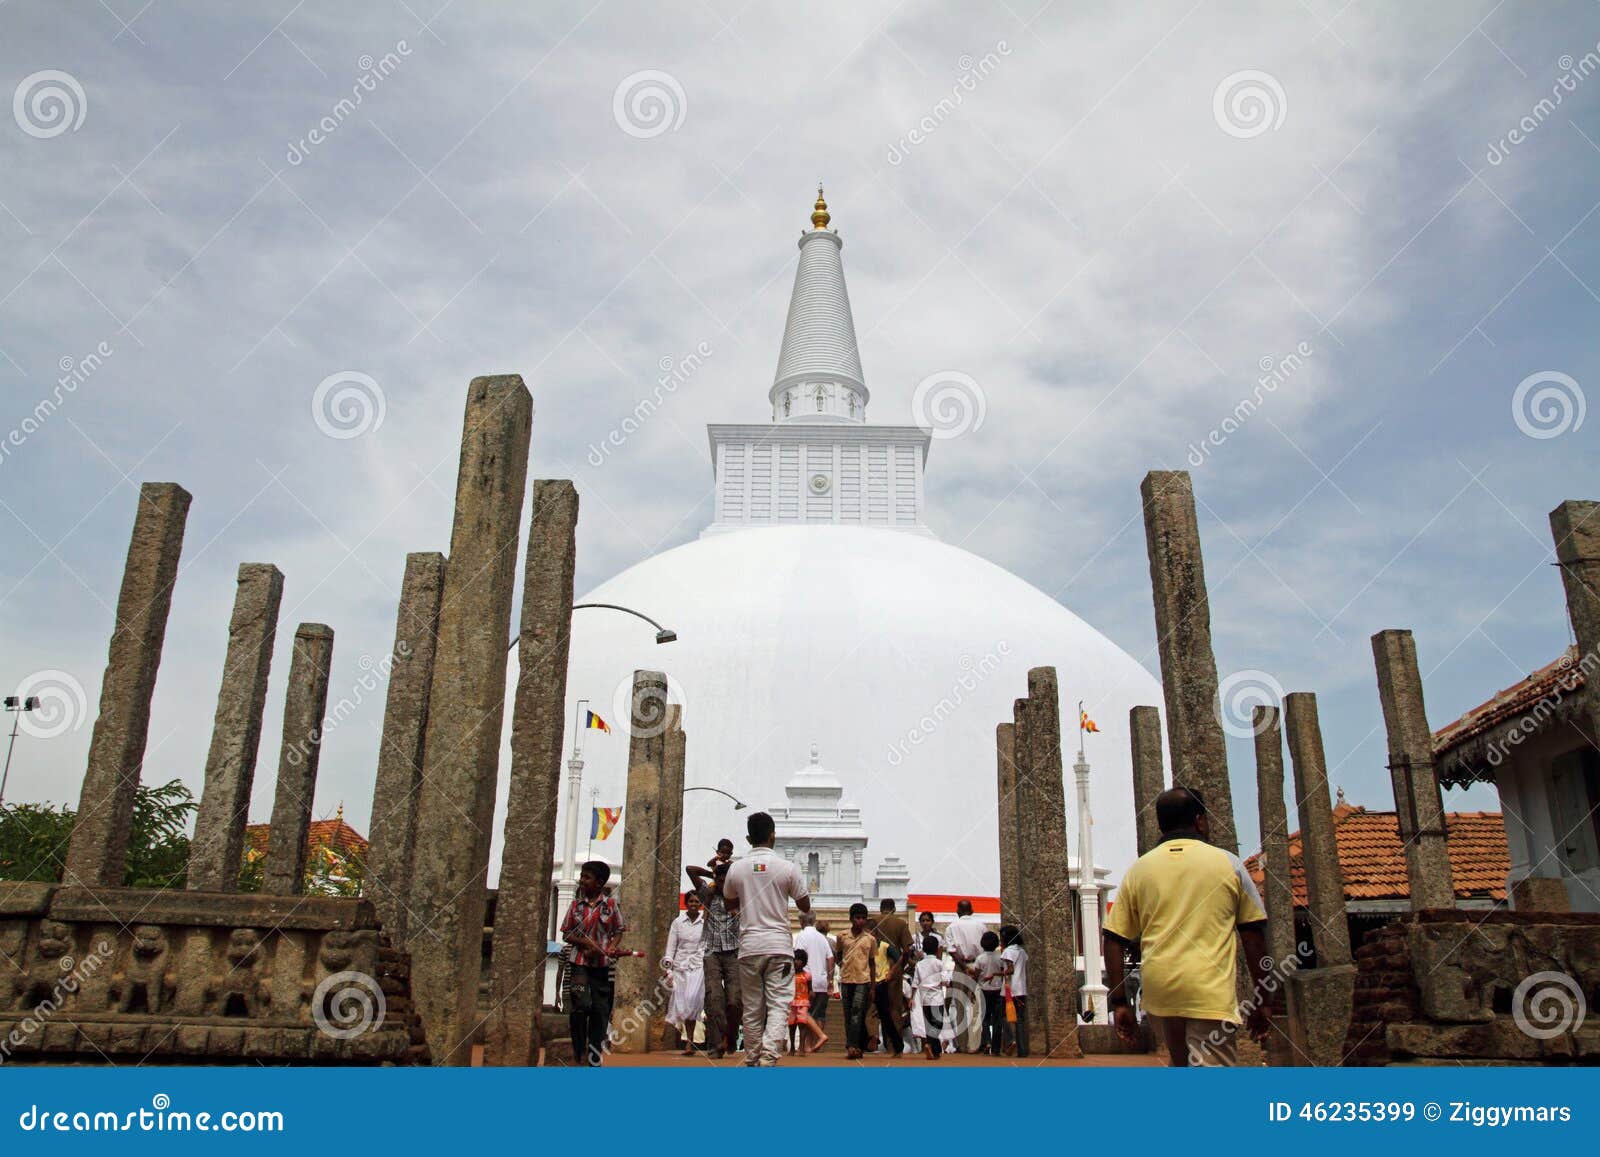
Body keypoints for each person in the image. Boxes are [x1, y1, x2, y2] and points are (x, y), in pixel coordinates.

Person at [1103, 786, 1272, 1067]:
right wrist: (1264, 996)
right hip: (1209, 989)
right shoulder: (1227, 864)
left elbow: (1113, 937)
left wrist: (1120, 1002)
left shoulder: (1140, 870)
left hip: (1161, 990)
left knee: (1180, 1062)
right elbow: (1253, 935)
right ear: (1199, 820)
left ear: (1160, 824)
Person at [721, 811, 811, 1067]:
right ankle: (768, 1058)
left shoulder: (736, 869)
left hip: (749, 947)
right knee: (779, 1006)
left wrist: (745, 908)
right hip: (778, 948)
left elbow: (729, 901)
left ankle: (752, 1057)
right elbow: (805, 906)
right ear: (773, 836)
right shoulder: (787, 868)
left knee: (752, 1009)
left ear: (749, 838)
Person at [559, 859, 627, 1067]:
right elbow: (566, 933)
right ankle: (579, 1049)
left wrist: (613, 946)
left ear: (599, 883)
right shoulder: (574, 906)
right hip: (579, 962)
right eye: (581, 877)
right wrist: (584, 942)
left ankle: (594, 1055)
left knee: (600, 1011)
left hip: (602, 965)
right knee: (581, 1006)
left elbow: (619, 930)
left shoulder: (610, 905)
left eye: (586, 878)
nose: (581, 881)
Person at [685, 855, 740, 1058]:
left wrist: (731, 871)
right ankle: (717, 1043)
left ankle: (730, 1034)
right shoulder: (707, 893)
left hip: (734, 952)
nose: (723, 883)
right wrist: (714, 873)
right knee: (714, 999)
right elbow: (690, 869)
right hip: (711, 952)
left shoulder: (739, 895)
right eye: (720, 880)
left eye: (727, 880)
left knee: (734, 1000)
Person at [661, 888, 705, 1056]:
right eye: (691, 901)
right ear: (686, 904)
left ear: (700, 904)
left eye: (696, 901)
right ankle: (688, 1042)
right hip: (680, 967)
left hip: (698, 967)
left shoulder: (705, 922)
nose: (694, 904)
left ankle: (691, 1042)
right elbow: (671, 947)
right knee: (682, 1004)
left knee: (693, 1002)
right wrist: (668, 968)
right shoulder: (678, 922)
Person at [834, 902, 877, 1059]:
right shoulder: (842, 937)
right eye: (858, 918)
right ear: (851, 918)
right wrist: (845, 966)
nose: (861, 921)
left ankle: (853, 1045)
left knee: (857, 1013)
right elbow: (839, 956)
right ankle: (855, 1045)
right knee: (848, 1014)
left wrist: (872, 987)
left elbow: (872, 964)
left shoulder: (870, 939)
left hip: (862, 981)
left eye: (863, 918)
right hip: (846, 980)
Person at [944, 899, 988, 1051]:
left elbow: (953, 952)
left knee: (960, 1006)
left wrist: (964, 968)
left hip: (961, 966)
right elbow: (986, 947)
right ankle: (976, 1044)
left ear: (958, 911)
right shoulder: (981, 926)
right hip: (979, 965)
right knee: (977, 1006)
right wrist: (973, 970)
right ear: (972, 911)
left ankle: (963, 1045)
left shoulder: (951, 927)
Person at [872, 899, 912, 1055]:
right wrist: (902, 967)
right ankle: (893, 1045)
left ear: (881, 908)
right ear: (894, 909)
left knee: (872, 1010)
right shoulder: (901, 924)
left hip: (874, 970)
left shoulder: (872, 922)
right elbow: (907, 949)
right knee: (894, 1009)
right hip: (894, 970)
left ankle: (873, 1040)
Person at [793, 911, 834, 1033]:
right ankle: (816, 1045)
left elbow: (799, 958)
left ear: (801, 921)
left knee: (805, 1014)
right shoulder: (822, 937)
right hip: (822, 981)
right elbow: (830, 958)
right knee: (820, 1015)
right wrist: (830, 979)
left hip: (806, 981)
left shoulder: (801, 936)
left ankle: (809, 1044)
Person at [912, 934, 948, 1060]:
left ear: (924, 949)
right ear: (937, 948)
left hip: (924, 999)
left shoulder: (919, 964)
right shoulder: (939, 963)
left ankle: (932, 1048)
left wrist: (911, 998)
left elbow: (915, 983)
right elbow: (945, 981)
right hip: (937, 997)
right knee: (937, 1024)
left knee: (929, 1024)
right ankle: (931, 1046)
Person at [788, 948, 829, 1054]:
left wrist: (811, 994)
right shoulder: (790, 975)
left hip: (803, 1003)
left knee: (802, 1025)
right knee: (791, 1025)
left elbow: (810, 989)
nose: (797, 962)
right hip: (792, 1003)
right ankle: (792, 1047)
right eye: (795, 959)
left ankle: (801, 1048)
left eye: (800, 960)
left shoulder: (807, 975)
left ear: (804, 962)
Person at [972, 930, 1006, 1056]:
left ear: (982, 944)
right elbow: (1003, 973)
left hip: (984, 990)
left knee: (984, 1018)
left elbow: (976, 975)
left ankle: (987, 1042)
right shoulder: (1000, 957)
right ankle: (996, 1048)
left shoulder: (980, 958)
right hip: (998, 991)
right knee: (997, 1020)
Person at [999, 925, 1029, 1058]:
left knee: (1005, 1017)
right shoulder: (1022, 952)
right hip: (1022, 989)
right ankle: (1022, 1050)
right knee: (1020, 1020)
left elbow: (1010, 970)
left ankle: (1010, 1041)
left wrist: (997, 974)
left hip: (1010, 989)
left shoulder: (1007, 952)